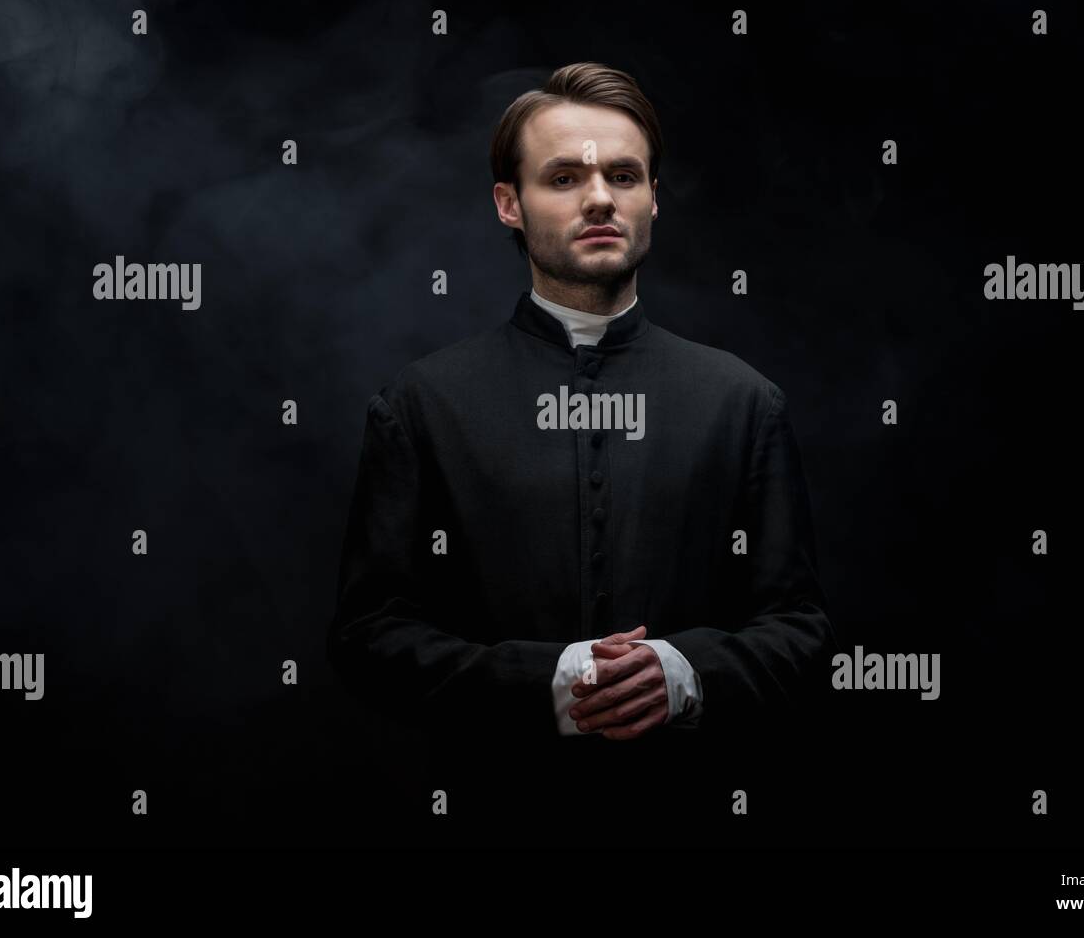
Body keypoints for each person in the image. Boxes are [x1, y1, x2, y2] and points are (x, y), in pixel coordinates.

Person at [328, 62, 837, 758]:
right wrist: (547, 679)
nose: (600, 199)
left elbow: (801, 628)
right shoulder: (421, 404)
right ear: (510, 203)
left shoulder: (743, 401)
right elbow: (367, 636)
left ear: (653, 199)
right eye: (564, 178)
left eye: (623, 177)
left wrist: (683, 673)